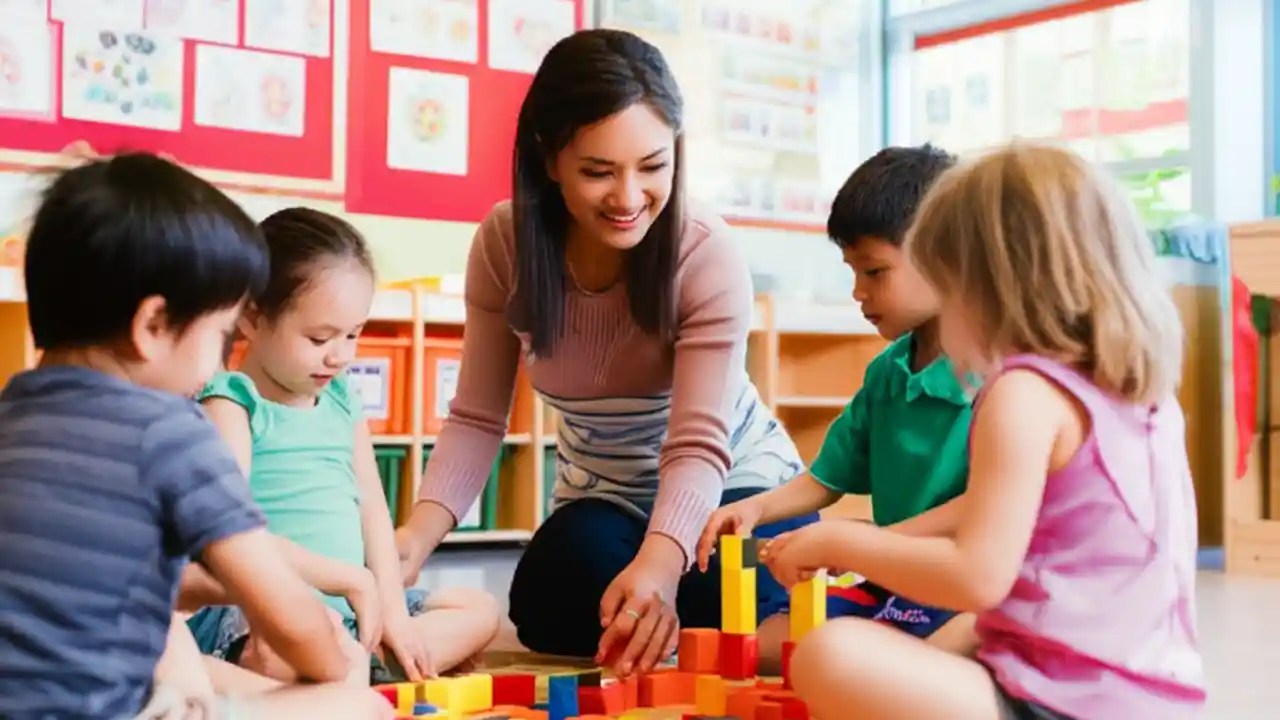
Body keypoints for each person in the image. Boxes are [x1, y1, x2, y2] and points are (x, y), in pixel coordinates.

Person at [394, 27, 804, 673]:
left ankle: (684, 612)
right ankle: (673, 621)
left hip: (735, 486)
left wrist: (661, 565)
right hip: (608, 494)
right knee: (552, 596)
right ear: (549, 157)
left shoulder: (705, 252)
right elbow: (476, 418)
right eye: (597, 172)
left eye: (653, 166)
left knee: (722, 583)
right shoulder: (506, 244)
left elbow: (697, 442)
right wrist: (415, 538)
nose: (629, 198)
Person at [763, 143, 1204, 720]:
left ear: (986, 281)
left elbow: (976, 578)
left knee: (829, 654)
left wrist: (839, 542)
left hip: (1062, 703)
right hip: (1153, 697)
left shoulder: (1022, 395)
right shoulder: (1140, 394)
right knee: (911, 652)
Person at [0, 152, 390, 719]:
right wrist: (337, 676)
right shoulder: (170, 432)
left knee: (182, 654)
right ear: (153, 327)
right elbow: (289, 616)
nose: (216, 364)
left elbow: (100, 583)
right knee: (363, 709)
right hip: (108, 708)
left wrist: (216, 591)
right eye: (219, 334)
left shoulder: (13, 415)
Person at [188, 207, 502, 685]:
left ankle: (368, 659)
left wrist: (393, 611)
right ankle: (352, 667)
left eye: (354, 334)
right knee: (293, 651)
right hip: (264, 611)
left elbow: (373, 511)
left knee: (479, 609)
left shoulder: (340, 399)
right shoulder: (233, 404)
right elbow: (228, 538)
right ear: (252, 317)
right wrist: (340, 582)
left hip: (358, 609)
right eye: (319, 338)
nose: (341, 355)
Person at [697, 144, 976, 672]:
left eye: (875, 273)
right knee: (776, 639)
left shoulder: (997, 379)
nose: (858, 292)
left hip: (959, 583)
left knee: (922, 647)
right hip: (893, 582)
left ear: (947, 257)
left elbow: (983, 510)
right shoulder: (888, 373)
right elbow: (827, 477)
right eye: (853, 272)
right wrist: (755, 508)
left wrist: (858, 544)